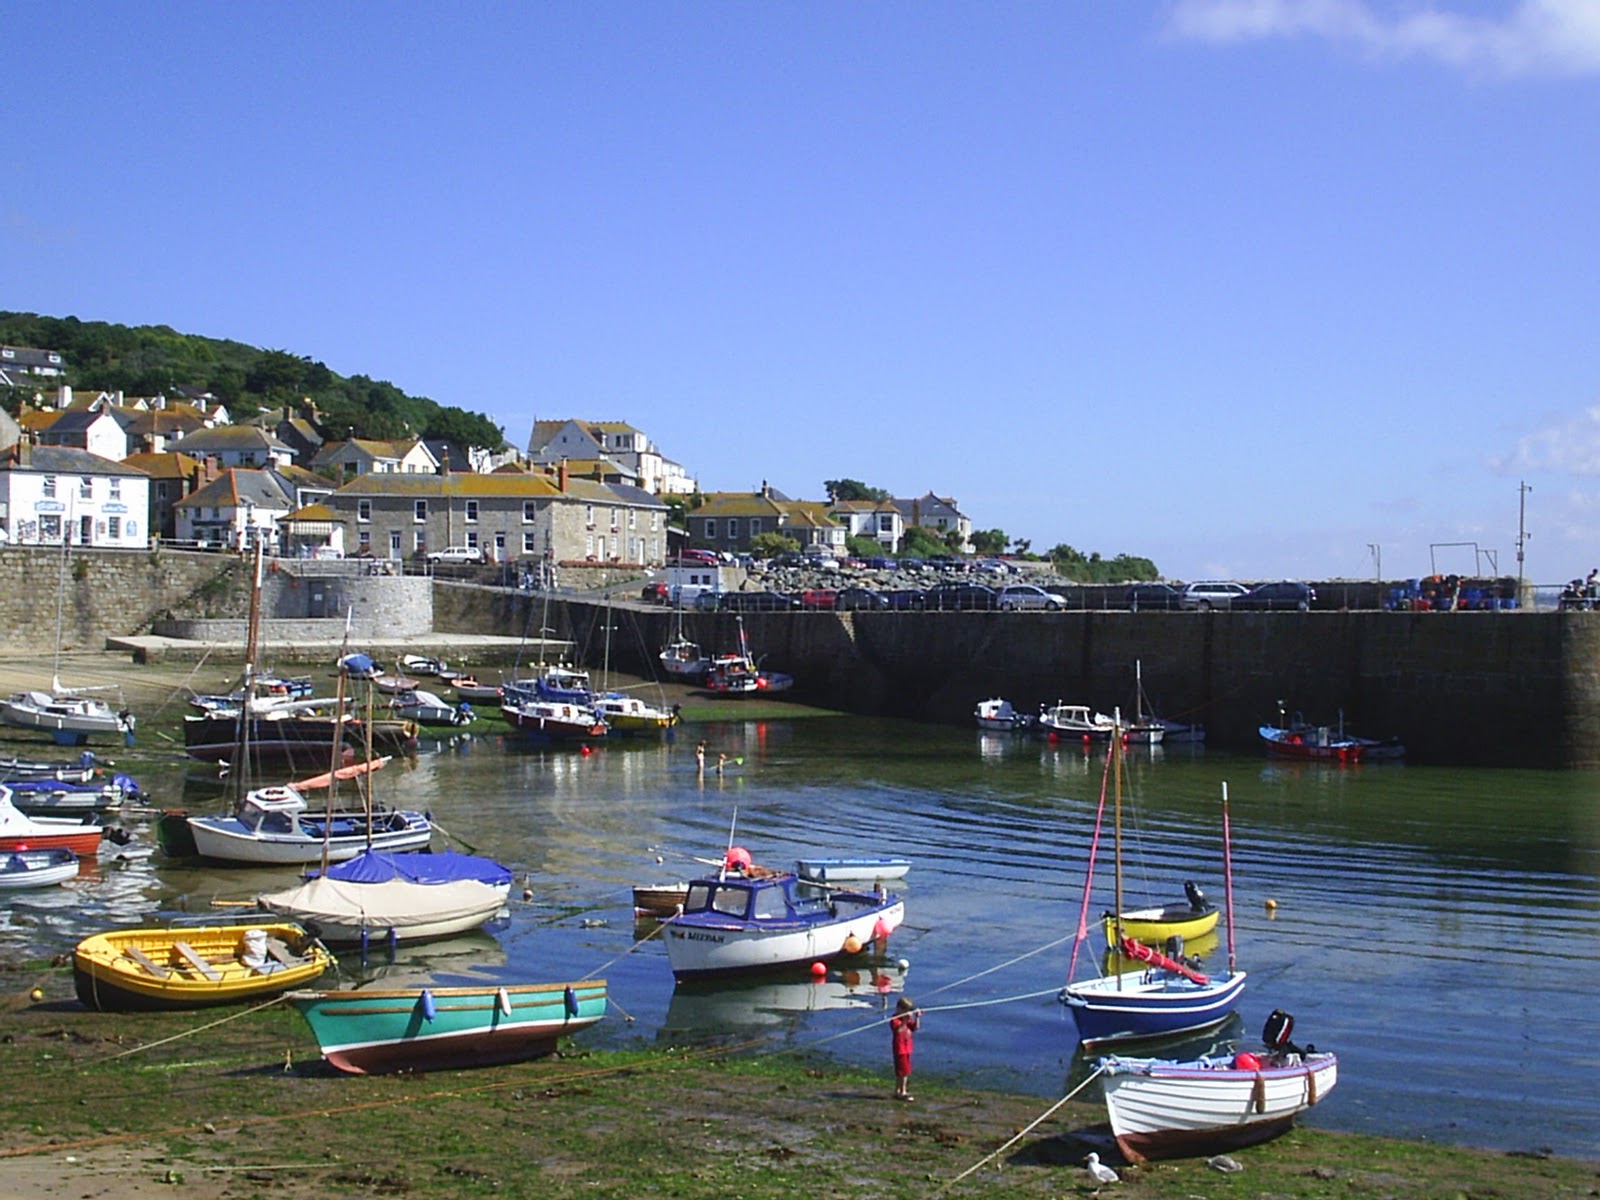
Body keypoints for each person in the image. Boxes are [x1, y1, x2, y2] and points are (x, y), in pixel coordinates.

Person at [890, 996, 920, 1101]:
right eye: (905, 1011)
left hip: (907, 1048)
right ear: (899, 1009)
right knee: (903, 1072)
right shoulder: (895, 1019)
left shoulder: (906, 1020)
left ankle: (897, 1091)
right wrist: (905, 1020)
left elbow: (915, 1028)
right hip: (900, 1049)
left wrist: (917, 1017)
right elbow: (898, 1031)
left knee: (903, 1071)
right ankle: (902, 1092)